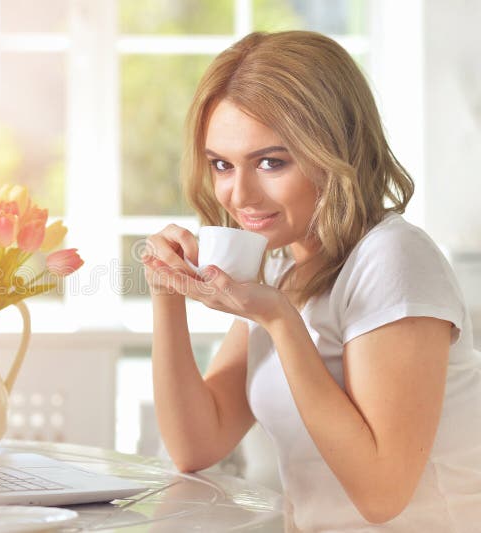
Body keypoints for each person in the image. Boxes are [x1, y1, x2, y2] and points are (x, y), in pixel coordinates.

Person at [141, 30, 481, 532]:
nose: (239, 195)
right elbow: (197, 445)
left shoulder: (392, 259)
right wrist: (166, 293)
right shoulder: (282, 267)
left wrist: (280, 320)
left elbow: (382, 495)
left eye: (271, 162)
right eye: (222, 165)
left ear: (335, 149)